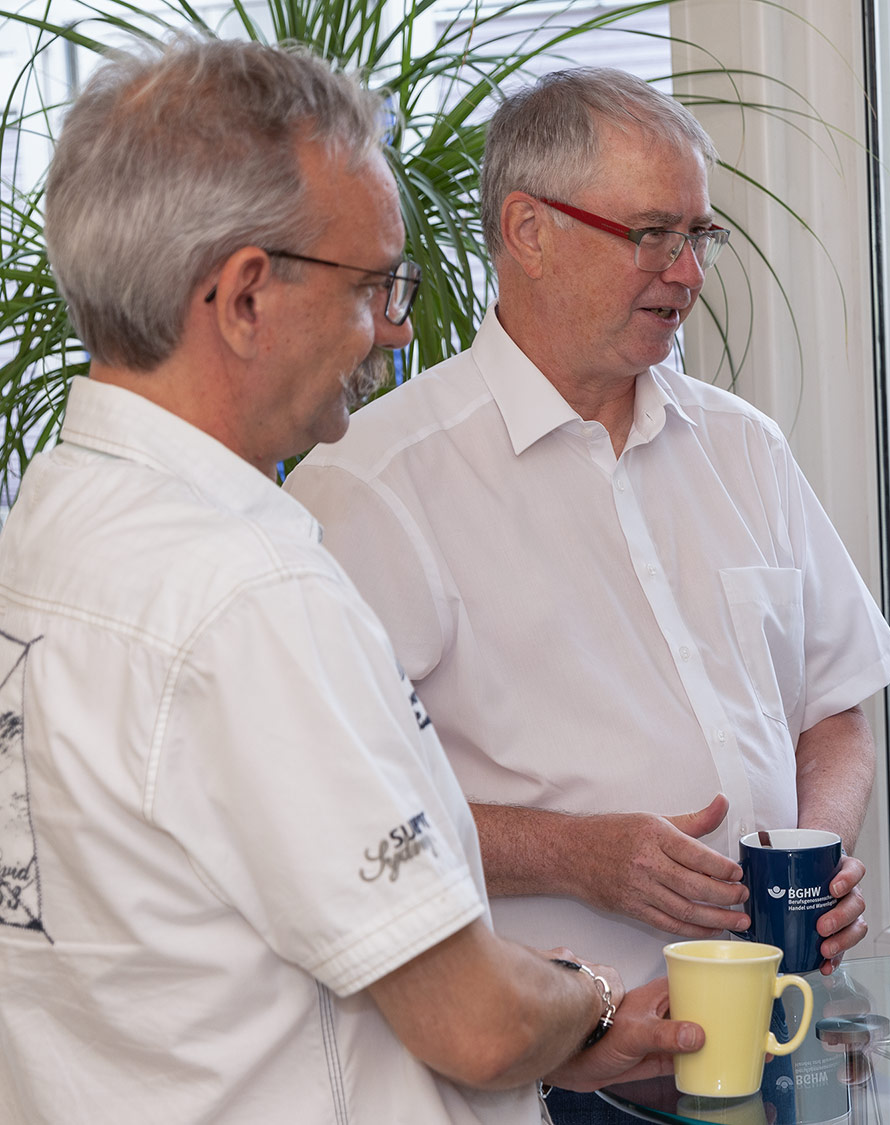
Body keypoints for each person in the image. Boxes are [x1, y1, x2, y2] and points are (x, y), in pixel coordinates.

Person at [0, 39, 705, 1124]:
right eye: (375, 283)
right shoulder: (247, 593)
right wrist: (589, 1000)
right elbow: (473, 1020)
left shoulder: (43, 532)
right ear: (242, 298)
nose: (397, 326)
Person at [282, 67, 890, 1121]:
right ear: (525, 230)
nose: (685, 273)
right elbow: (326, 811)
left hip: (783, 1043)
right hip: (545, 1076)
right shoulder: (378, 483)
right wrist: (577, 857)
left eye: (698, 238)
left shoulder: (744, 448)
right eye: (651, 233)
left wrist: (820, 848)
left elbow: (835, 710)